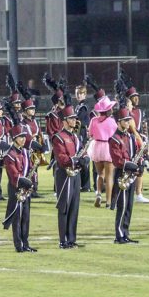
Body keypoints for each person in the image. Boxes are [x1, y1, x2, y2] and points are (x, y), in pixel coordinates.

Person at [50, 105, 84, 248]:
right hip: (64, 175)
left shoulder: (75, 137)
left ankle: (71, 239)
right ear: (64, 120)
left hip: (76, 175)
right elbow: (62, 159)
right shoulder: (58, 137)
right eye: (71, 118)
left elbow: (81, 151)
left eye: (75, 118)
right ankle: (63, 240)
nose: (74, 120)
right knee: (64, 207)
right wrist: (76, 160)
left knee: (74, 207)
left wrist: (85, 159)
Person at [108, 108, 142, 244]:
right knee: (122, 206)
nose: (128, 122)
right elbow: (117, 160)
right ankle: (119, 235)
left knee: (129, 206)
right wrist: (130, 165)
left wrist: (139, 164)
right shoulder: (114, 139)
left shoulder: (130, 137)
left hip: (131, 175)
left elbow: (136, 153)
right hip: (122, 174)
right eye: (125, 120)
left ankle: (126, 233)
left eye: (129, 120)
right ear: (118, 122)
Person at [2, 125, 35, 252]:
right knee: (17, 218)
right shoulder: (9, 155)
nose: (23, 139)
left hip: (26, 189)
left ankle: (25, 243)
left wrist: (32, 181)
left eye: (24, 137)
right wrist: (23, 181)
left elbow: (30, 167)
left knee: (26, 217)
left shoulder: (25, 152)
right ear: (14, 138)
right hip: (16, 189)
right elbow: (13, 174)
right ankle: (18, 245)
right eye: (21, 137)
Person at [87, 92, 116, 207]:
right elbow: (115, 136)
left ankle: (98, 194)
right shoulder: (112, 121)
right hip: (108, 147)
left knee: (100, 174)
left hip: (96, 146)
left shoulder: (94, 120)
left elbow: (90, 134)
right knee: (109, 177)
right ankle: (108, 202)